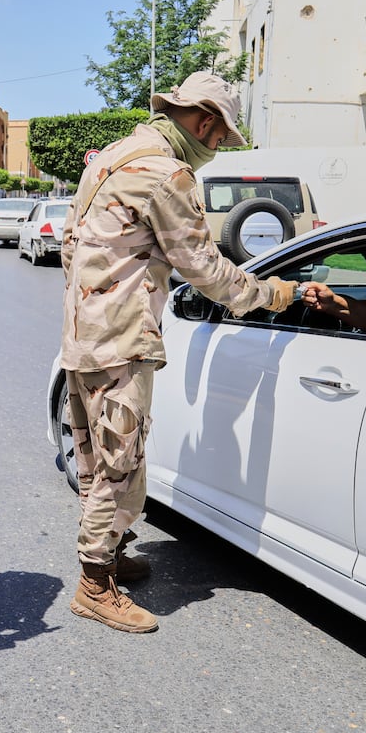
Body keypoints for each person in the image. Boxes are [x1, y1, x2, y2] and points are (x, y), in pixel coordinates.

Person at [60, 72, 300, 634]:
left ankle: (111, 553)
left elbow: (73, 247)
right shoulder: (167, 173)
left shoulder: (114, 156)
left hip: (83, 336)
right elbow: (204, 269)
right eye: (221, 138)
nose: (218, 149)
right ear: (206, 120)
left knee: (97, 457)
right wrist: (272, 295)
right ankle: (95, 584)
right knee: (120, 463)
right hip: (121, 340)